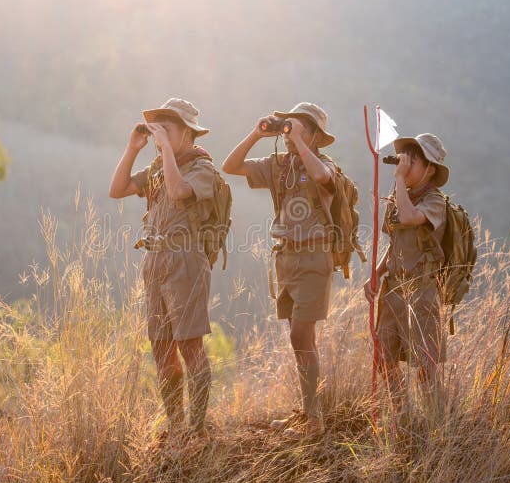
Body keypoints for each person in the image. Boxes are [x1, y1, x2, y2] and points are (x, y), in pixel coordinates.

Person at [223, 102, 339, 439]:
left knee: (301, 335)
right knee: (297, 337)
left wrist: (301, 141)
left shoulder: (324, 164)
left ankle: (313, 421)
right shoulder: (279, 166)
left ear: (315, 135)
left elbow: (322, 177)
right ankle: (307, 414)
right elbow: (231, 166)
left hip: (315, 257)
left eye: (301, 128)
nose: (291, 134)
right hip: (286, 257)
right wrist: (259, 134)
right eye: (290, 127)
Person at [109, 98, 215, 443]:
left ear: (188, 133)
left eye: (168, 129)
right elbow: (117, 190)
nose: (160, 136)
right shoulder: (156, 166)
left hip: (185, 260)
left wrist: (167, 151)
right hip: (154, 261)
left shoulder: (202, 168)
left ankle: (197, 431)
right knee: (161, 347)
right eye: (158, 130)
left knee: (189, 346)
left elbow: (177, 191)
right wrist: (133, 148)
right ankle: (176, 427)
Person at [363, 133, 450, 415]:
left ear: (430, 169)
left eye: (412, 162)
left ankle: (435, 424)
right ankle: (402, 417)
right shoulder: (400, 197)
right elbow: (395, 242)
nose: (404, 167)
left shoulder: (435, 201)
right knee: (385, 359)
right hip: (394, 290)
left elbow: (411, 218)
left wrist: (399, 180)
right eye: (404, 161)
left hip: (422, 292)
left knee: (425, 366)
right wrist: (377, 273)